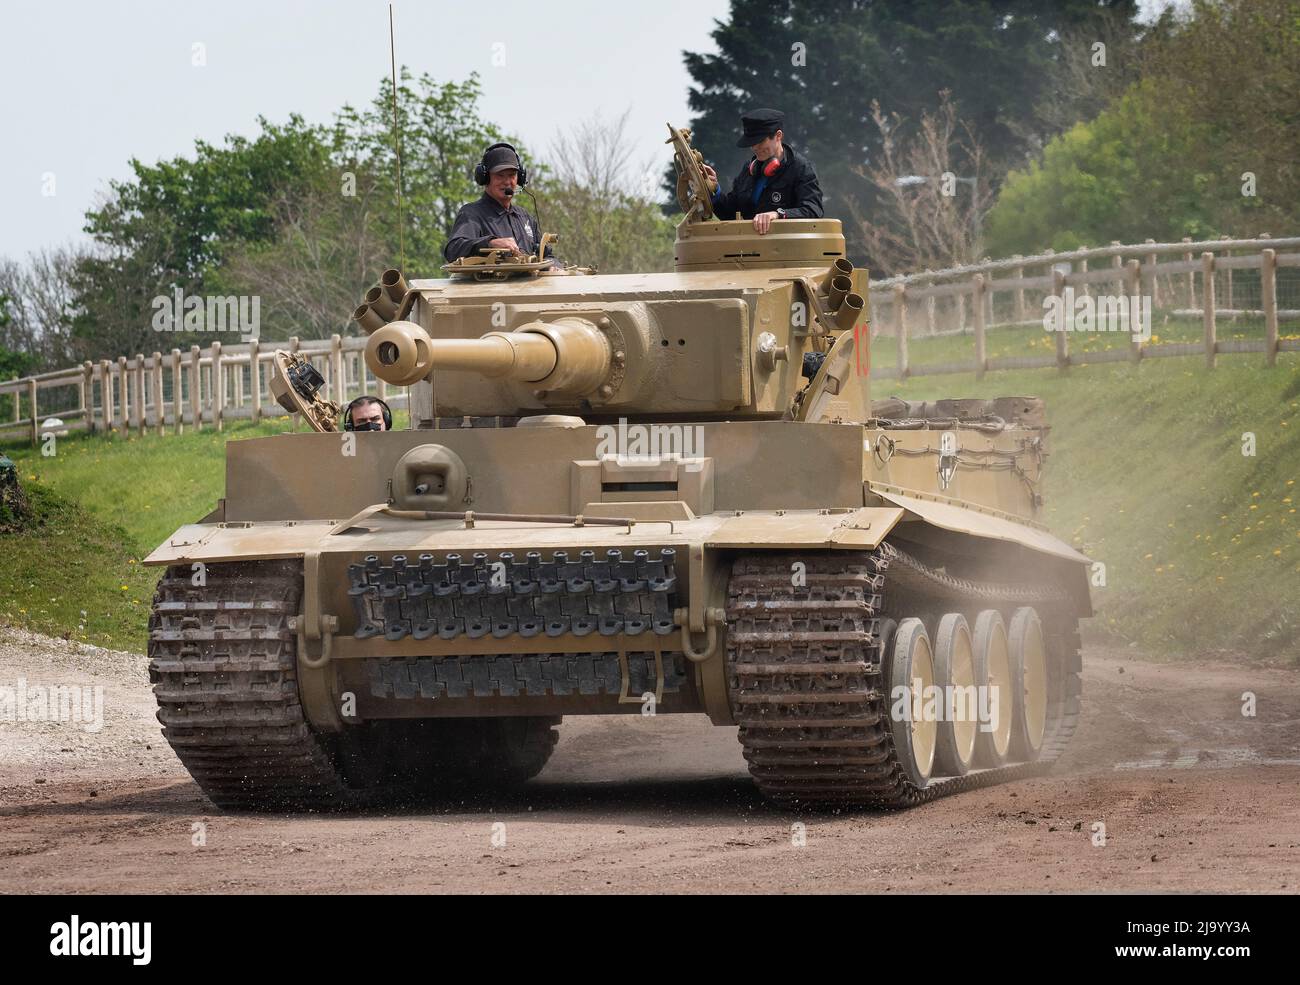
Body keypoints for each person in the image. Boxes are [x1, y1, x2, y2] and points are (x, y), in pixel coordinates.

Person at [701, 108, 823, 234]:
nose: (755, 147)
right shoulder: (749, 170)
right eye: (752, 143)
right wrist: (714, 190)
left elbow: (813, 210)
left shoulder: (801, 168)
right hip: (749, 247)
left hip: (787, 248)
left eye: (760, 141)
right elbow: (730, 213)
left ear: (778, 136)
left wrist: (778, 214)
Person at [443, 143, 552, 262]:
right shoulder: (471, 214)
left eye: (512, 175)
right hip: (490, 281)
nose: (507, 182)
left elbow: (548, 256)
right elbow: (453, 249)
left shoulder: (525, 217)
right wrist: (490, 243)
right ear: (485, 178)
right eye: (500, 175)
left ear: (520, 178)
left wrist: (553, 266)